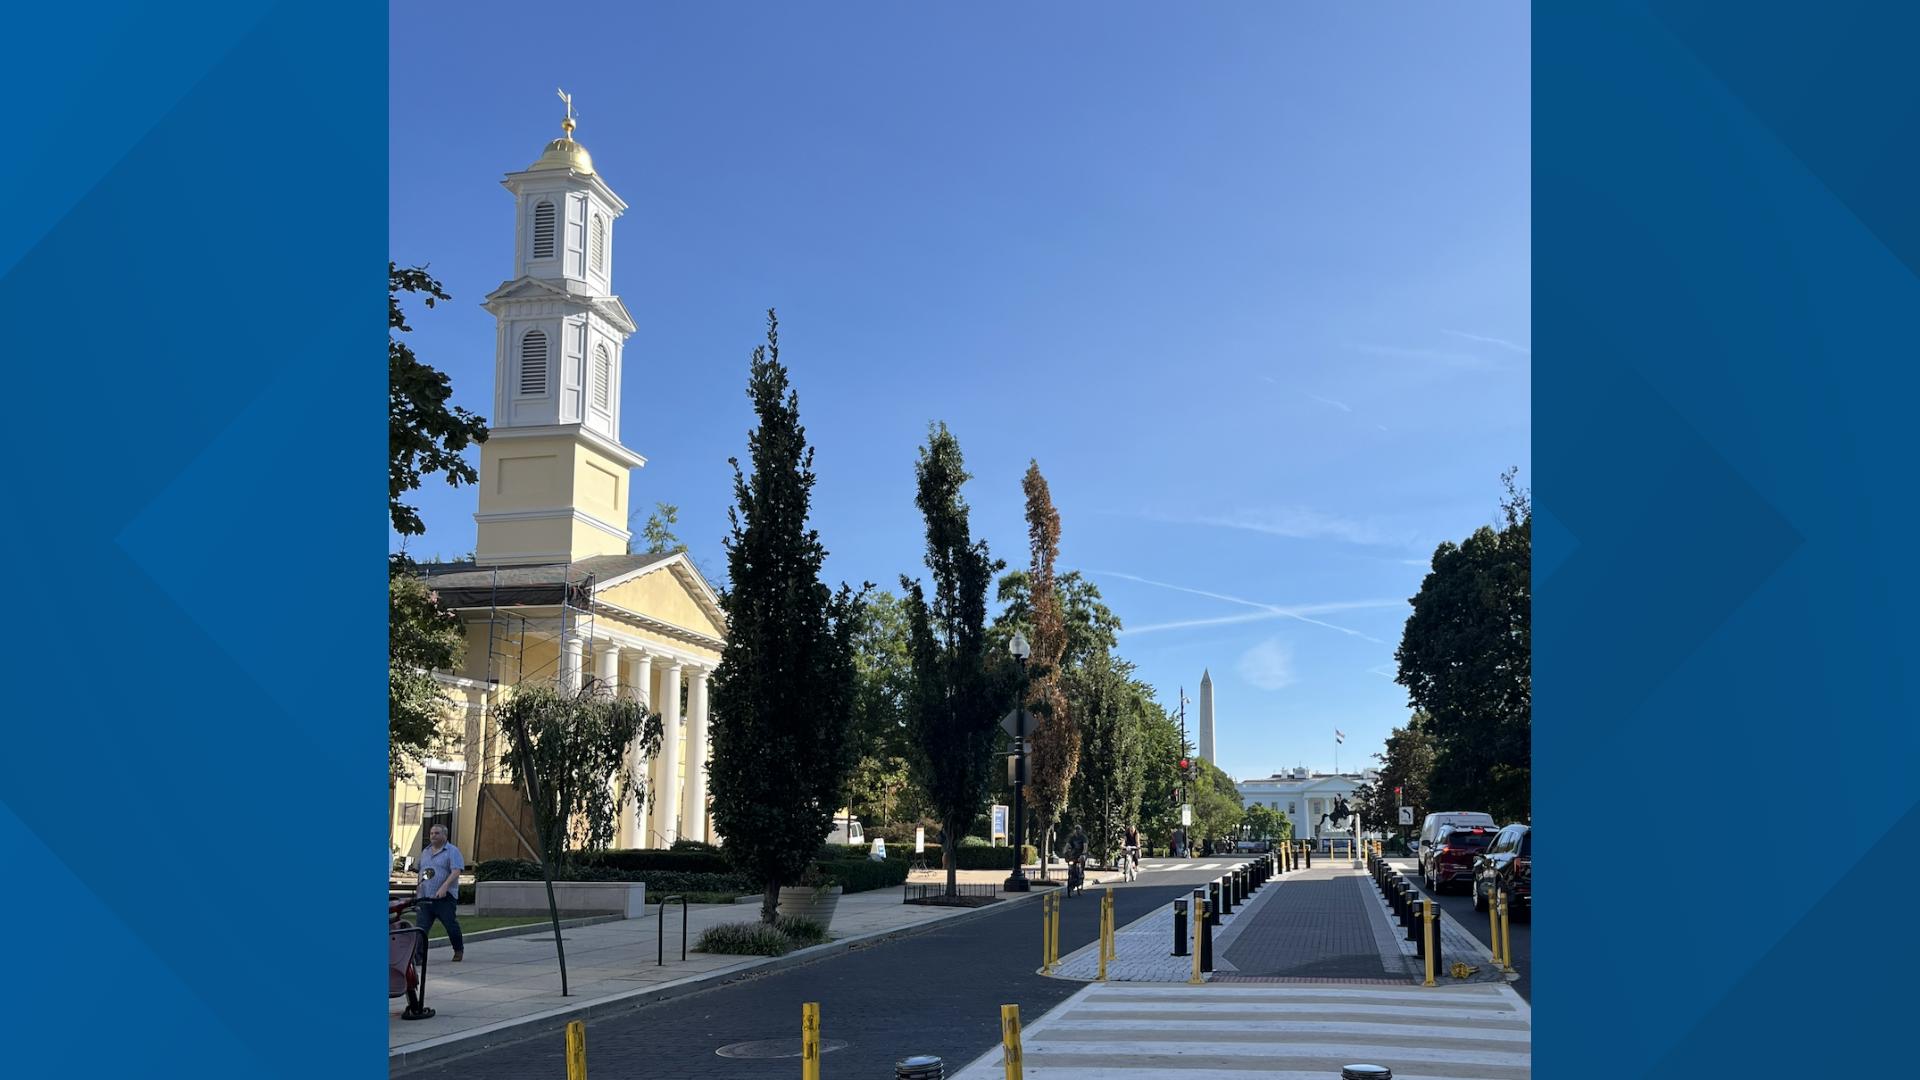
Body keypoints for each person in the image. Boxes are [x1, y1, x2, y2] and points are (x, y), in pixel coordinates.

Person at [416, 824, 466, 961]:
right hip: (425, 897)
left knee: (450, 925)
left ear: (445, 835)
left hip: (444, 898)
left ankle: (458, 949)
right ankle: (417, 957)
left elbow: (456, 871)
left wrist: (445, 886)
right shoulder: (425, 852)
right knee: (421, 928)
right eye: (431, 833)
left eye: (437, 833)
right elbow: (421, 871)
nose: (433, 836)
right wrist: (418, 890)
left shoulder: (452, 851)